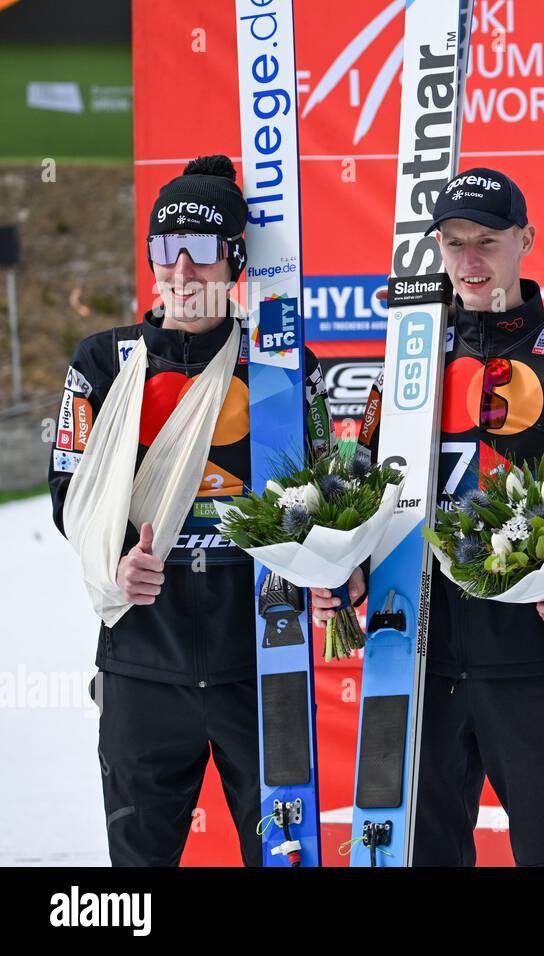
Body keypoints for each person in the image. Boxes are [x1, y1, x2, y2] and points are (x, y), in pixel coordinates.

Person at [316, 168, 544, 866]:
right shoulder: (405, 364)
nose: (471, 261)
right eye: (454, 243)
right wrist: (342, 572)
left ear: (526, 240)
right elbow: (359, 493)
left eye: (488, 240)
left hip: (529, 660)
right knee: (424, 854)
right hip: (419, 659)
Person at [48, 155, 333, 866]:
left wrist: (337, 575)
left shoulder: (279, 366)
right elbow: (69, 493)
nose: (180, 270)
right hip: (144, 660)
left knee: (286, 857)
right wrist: (115, 559)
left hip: (263, 662)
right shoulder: (104, 363)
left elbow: (331, 499)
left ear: (234, 259)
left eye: (202, 251)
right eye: (163, 249)